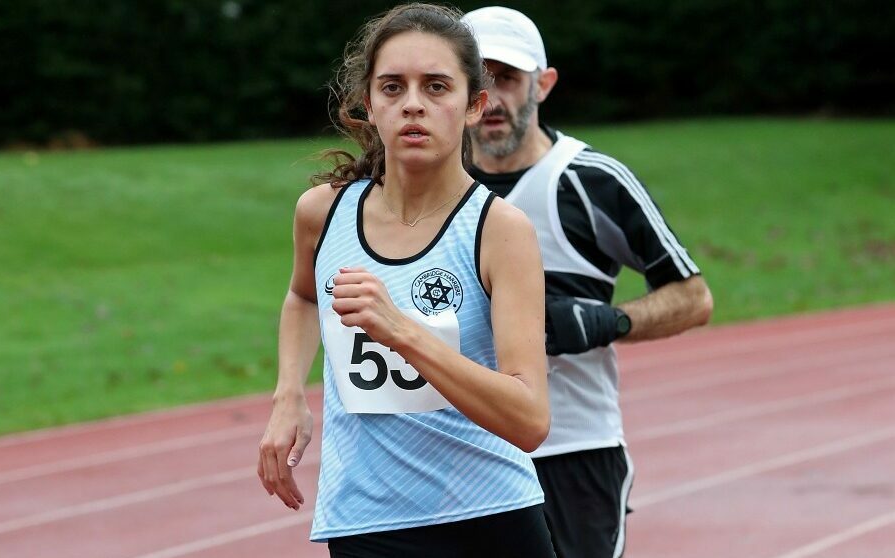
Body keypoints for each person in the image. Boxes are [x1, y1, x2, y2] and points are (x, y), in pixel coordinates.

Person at [258, 4, 557, 557]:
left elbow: (529, 418)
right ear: (369, 105)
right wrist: (288, 394)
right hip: (364, 519)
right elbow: (303, 296)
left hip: (487, 517)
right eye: (393, 87)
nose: (413, 104)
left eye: (436, 86)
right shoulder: (321, 214)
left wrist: (402, 330)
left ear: (474, 106)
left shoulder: (499, 231)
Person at [461, 7, 715, 558]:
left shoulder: (590, 180)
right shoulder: (430, 187)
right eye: (478, 79)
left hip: (573, 450)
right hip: (462, 450)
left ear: (543, 84)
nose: (493, 98)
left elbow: (693, 298)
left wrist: (610, 321)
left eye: (508, 78)